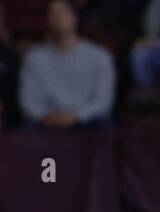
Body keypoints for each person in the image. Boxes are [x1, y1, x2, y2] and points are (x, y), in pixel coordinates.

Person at [17, 0, 114, 129]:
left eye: (63, 12)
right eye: (53, 14)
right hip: (46, 121)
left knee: (104, 123)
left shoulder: (100, 56)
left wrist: (76, 116)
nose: (58, 18)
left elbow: (103, 102)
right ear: (47, 20)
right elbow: (28, 100)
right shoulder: (35, 57)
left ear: (75, 17)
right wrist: (46, 116)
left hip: (87, 121)